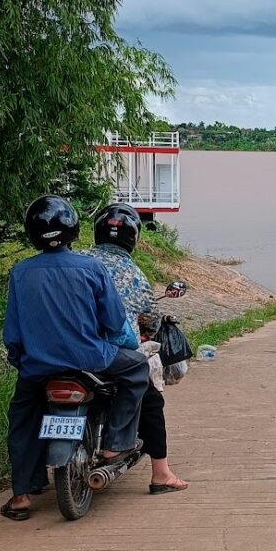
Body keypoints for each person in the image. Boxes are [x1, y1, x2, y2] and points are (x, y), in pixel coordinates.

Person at [0, 196, 151, 520]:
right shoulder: (91, 268)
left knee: (23, 419)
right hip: (92, 360)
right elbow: (114, 322)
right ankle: (115, 444)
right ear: (73, 229)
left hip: (38, 368)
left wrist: (23, 362)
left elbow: (12, 333)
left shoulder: (21, 272)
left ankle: (22, 495)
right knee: (138, 369)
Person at [82, 204, 189, 494]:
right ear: (134, 237)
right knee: (150, 399)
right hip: (109, 354)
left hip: (63, 350)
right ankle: (160, 474)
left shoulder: (77, 262)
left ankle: (31, 482)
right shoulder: (134, 275)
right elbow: (149, 321)